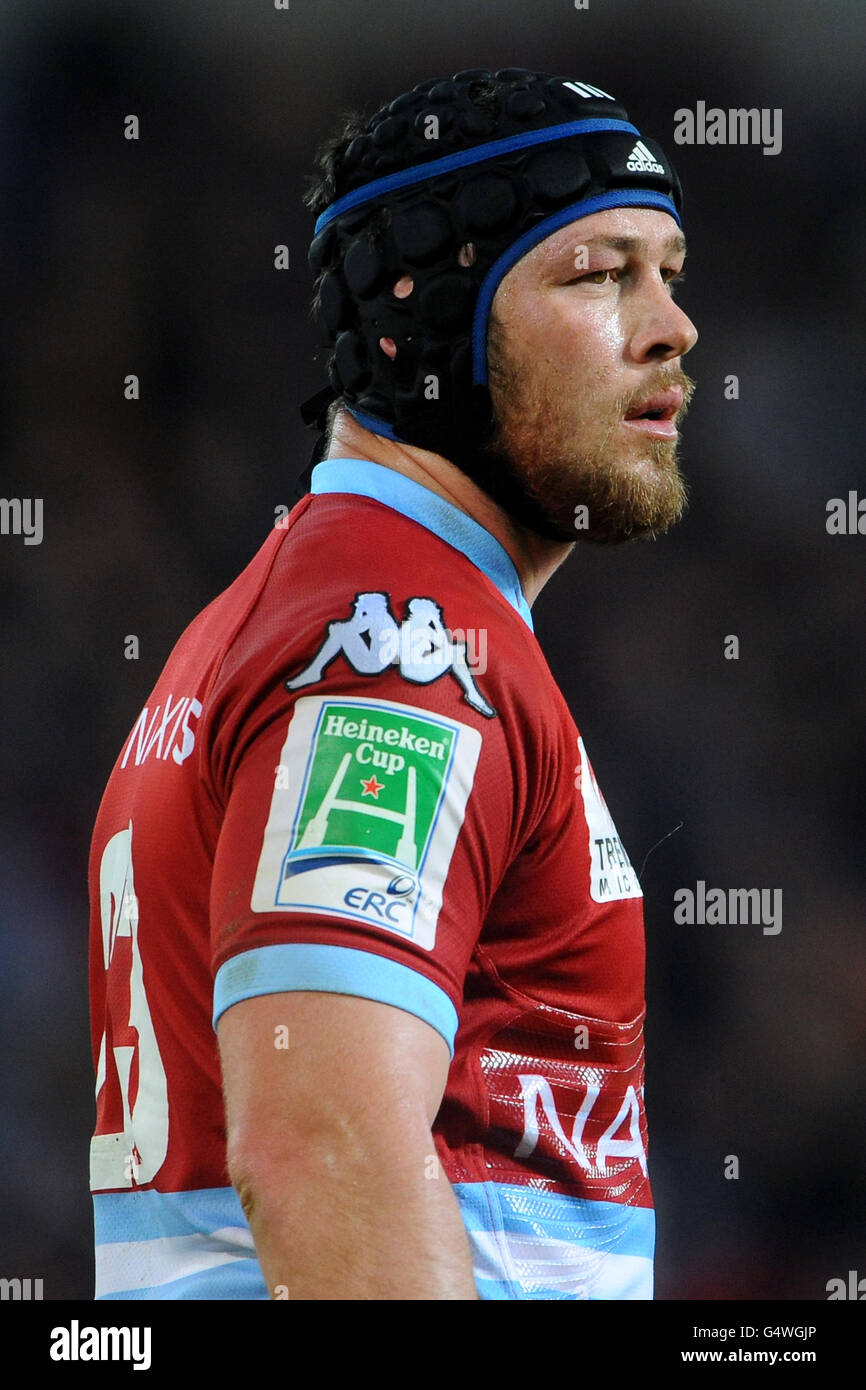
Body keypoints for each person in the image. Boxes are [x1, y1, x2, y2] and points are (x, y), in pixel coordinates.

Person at [87, 66, 697, 1301]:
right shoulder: (399, 655)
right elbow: (323, 1150)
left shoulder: (319, 611)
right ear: (426, 322)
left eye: (667, 272)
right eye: (595, 272)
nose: (670, 326)